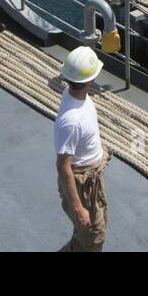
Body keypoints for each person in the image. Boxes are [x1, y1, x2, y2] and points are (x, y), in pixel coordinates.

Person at [55, 46, 110, 252]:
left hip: (92, 176)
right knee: (91, 239)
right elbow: (63, 166)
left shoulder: (76, 97)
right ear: (91, 79)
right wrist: (79, 209)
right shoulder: (71, 120)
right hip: (83, 184)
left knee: (98, 225)